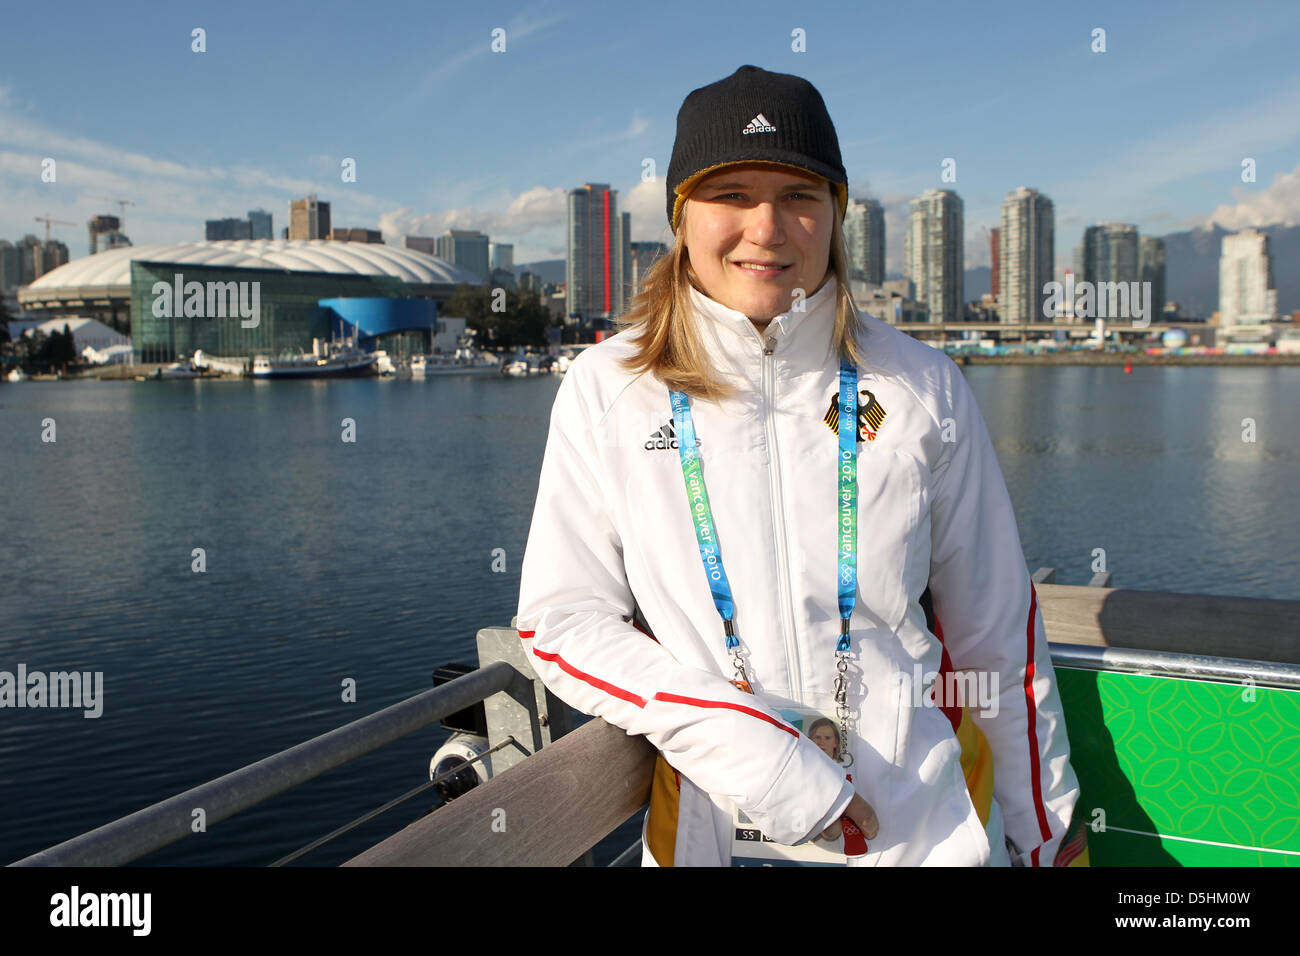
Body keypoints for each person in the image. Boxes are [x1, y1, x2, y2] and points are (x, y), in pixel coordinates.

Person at [516, 64, 1086, 867]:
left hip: (925, 844)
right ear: (682, 216)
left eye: (799, 196)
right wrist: (735, 738)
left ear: (835, 215)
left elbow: (999, 640)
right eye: (733, 194)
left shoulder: (922, 387)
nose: (767, 227)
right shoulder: (611, 390)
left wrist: (1047, 839)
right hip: (710, 837)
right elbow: (560, 621)